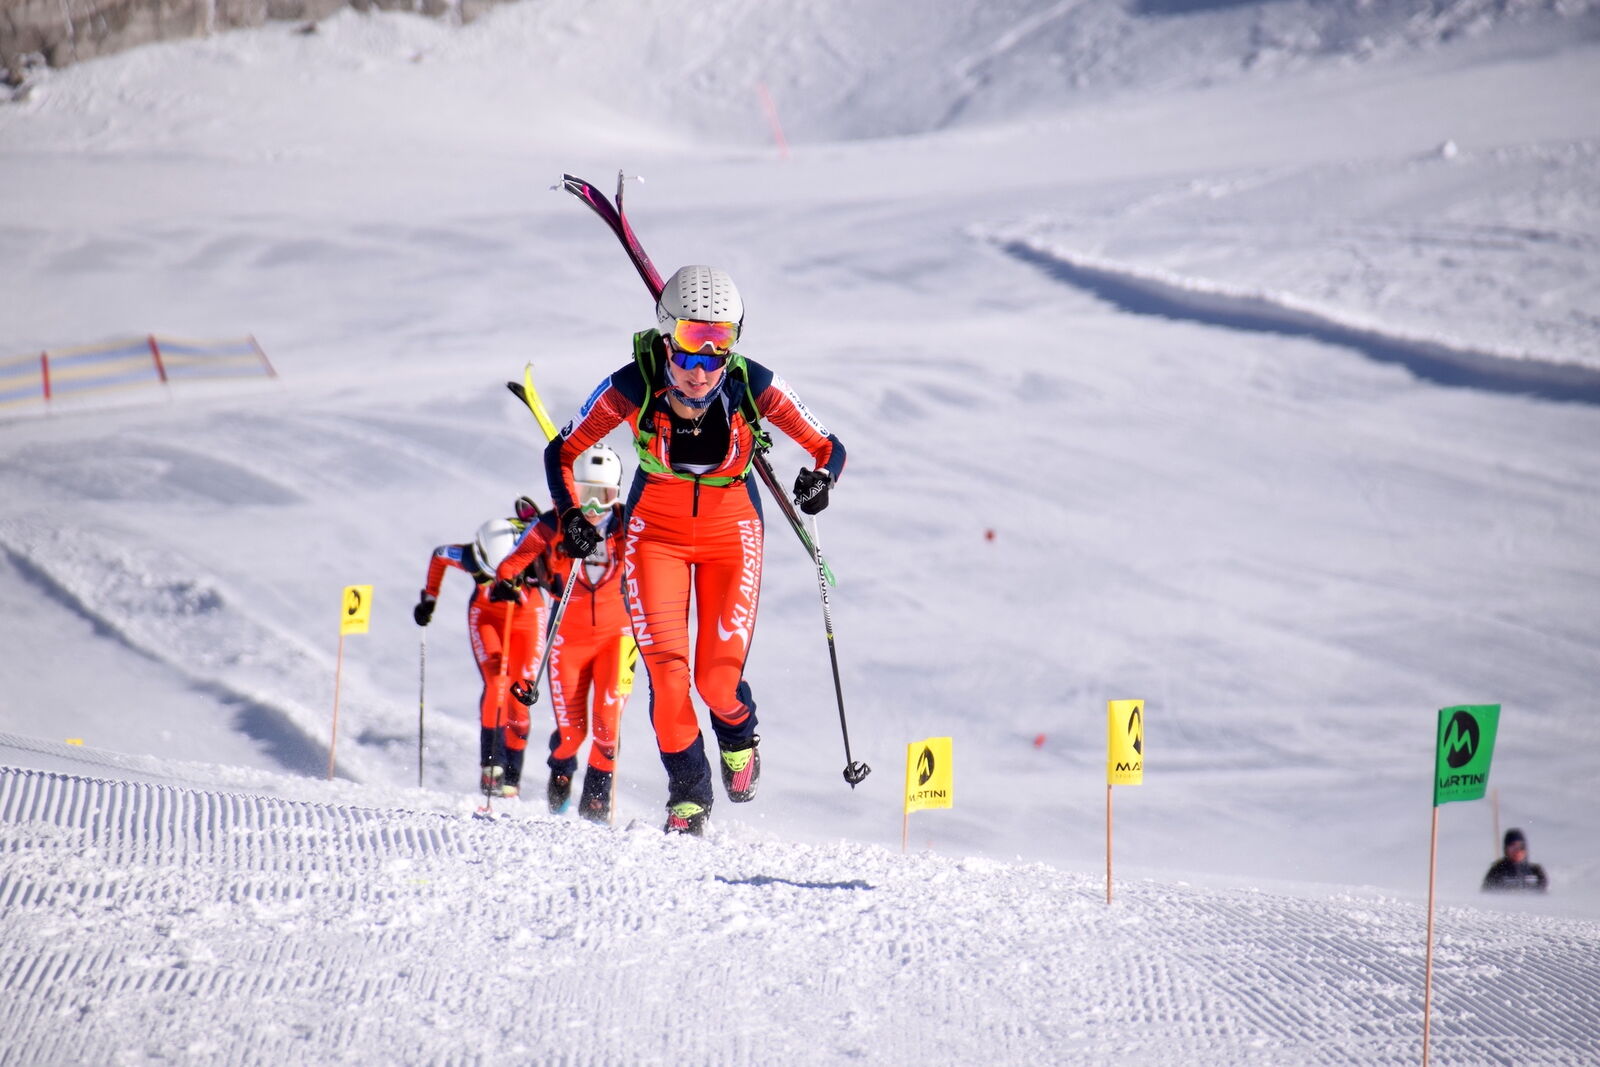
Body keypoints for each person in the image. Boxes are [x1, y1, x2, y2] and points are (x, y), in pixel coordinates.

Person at [543, 264, 846, 836]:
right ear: (666, 336)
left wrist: (821, 480)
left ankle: (738, 735)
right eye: (689, 341)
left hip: (732, 532)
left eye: (719, 342)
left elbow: (828, 446)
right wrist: (570, 517)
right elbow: (561, 450)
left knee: (716, 682)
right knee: (667, 678)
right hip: (654, 534)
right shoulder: (633, 386)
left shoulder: (752, 384)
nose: (702, 367)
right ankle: (688, 795)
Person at [490, 444, 638, 824]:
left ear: (617, 493)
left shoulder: (629, 522)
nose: (594, 505)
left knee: (608, 726)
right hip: (567, 640)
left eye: (603, 495)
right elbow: (513, 561)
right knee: (573, 732)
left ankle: (596, 801)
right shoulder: (556, 522)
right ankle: (561, 767)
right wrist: (507, 581)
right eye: (586, 493)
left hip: (619, 638)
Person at [412, 497, 549, 798]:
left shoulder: (533, 556)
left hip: (528, 620)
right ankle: (492, 766)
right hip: (486, 618)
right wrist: (429, 599)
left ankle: (512, 775)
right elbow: (439, 556)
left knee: (520, 695)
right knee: (497, 682)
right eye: (488, 575)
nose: (495, 580)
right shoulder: (471, 556)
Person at [1482, 828, 1549, 892]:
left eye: (1521, 847)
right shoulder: (1497, 871)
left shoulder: (1536, 871)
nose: (1517, 851)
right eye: (1513, 847)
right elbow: (1487, 894)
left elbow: (1544, 894)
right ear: (1506, 849)